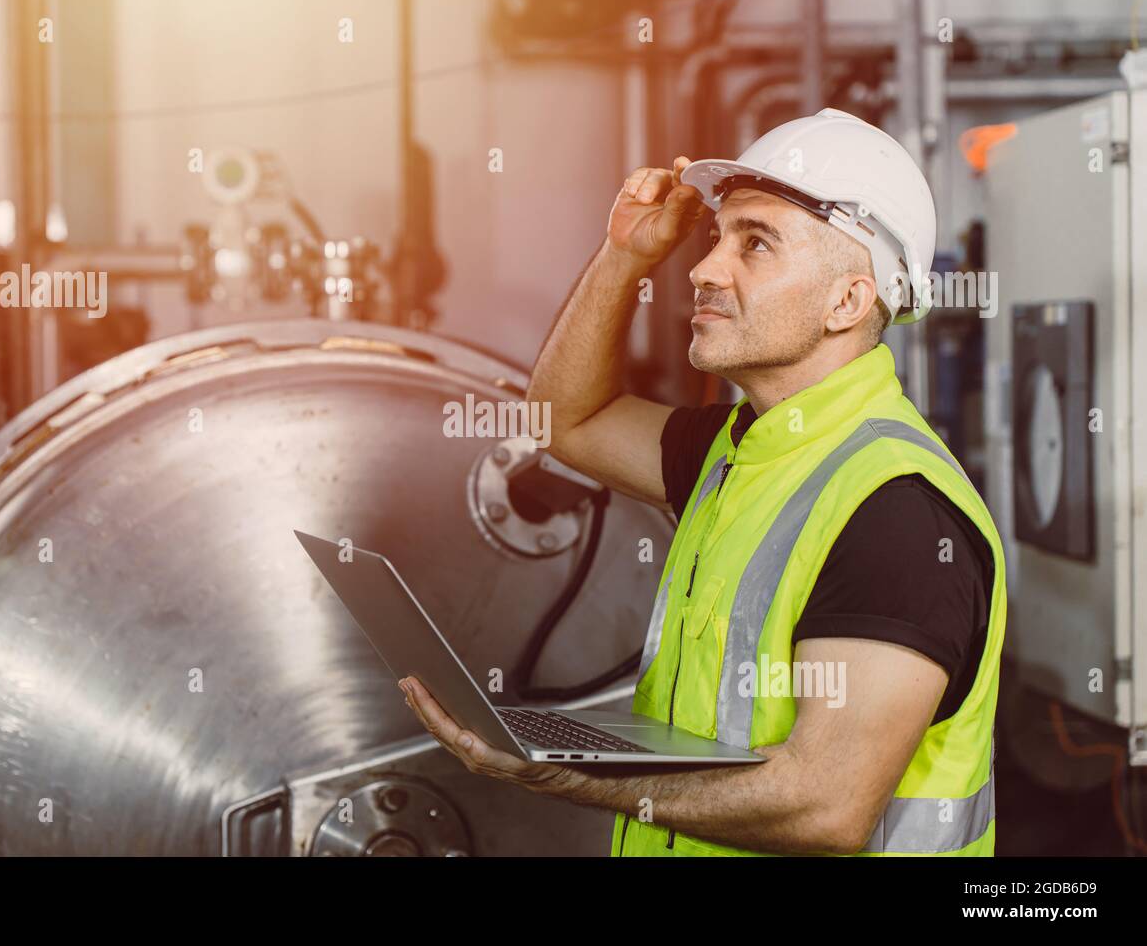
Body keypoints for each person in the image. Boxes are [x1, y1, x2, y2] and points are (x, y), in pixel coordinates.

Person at [399, 108, 1006, 856]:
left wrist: (563, 776)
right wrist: (624, 256)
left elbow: (825, 808)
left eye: (756, 244)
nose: (703, 268)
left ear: (847, 301)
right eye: (717, 237)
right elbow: (566, 419)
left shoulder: (899, 513)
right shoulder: (738, 449)